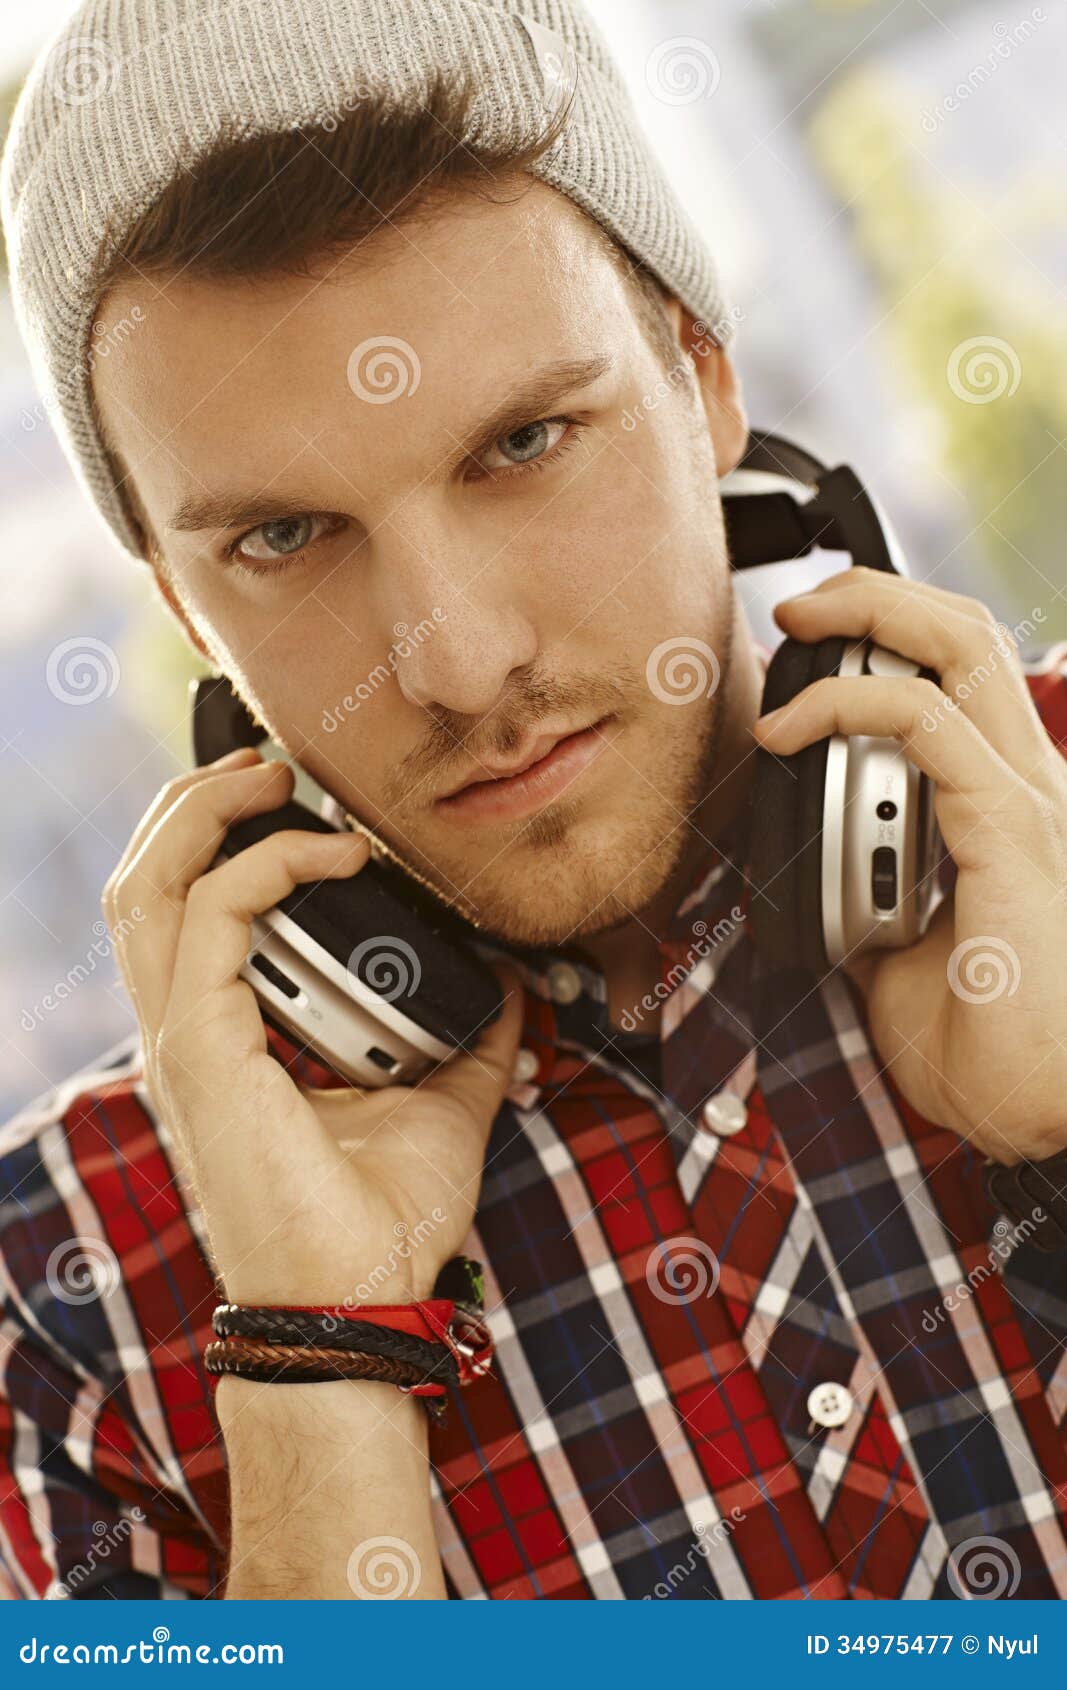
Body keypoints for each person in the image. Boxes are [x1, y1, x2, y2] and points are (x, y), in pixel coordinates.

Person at [1, 0, 1065, 1602]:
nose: (458, 659)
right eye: (286, 540)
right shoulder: (53, 1295)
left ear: (702, 377)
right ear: (178, 603)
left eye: (523, 441)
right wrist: (320, 1363)